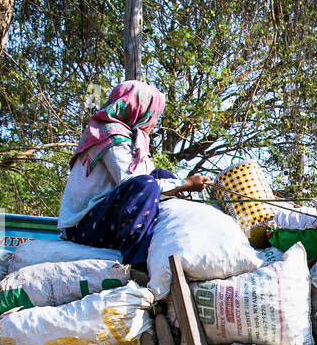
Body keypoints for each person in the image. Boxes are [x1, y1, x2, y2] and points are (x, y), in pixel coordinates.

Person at [57, 80, 210, 266]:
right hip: (82, 226)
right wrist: (186, 184)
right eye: (153, 115)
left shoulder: (132, 139)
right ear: (138, 111)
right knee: (146, 185)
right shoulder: (111, 136)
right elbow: (133, 181)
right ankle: (137, 262)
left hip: (100, 219)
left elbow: (148, 176)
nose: (154, 122)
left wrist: (179, 186)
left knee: (160, 175)